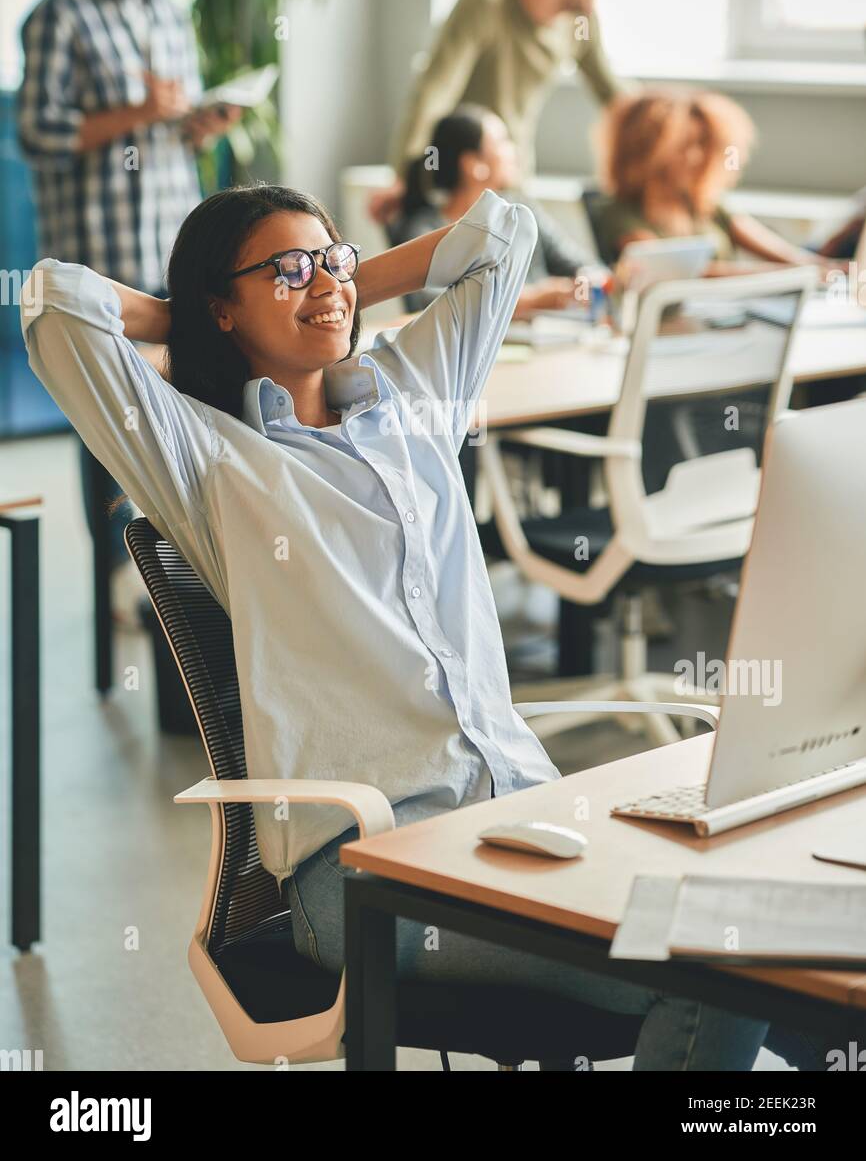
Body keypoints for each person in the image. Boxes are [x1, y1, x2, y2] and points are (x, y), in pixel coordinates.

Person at [20, 184, 831, 1070]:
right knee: (713, 969)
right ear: (222, 307)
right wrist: (183, 313)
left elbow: (504, 234)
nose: (324, 284)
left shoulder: (412, 397)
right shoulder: (209, 457)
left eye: (333, 260)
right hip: (371, 869)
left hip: (523, 812)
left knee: (790, 947)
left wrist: (340, 277)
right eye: (285, 271)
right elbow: (55, 305)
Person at [17, 0, 241, 593]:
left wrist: (197, 126)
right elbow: (37, 134)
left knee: (182, 409)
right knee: (105, 424)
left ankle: (178, 570)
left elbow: (172, 129)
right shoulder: (58, 15)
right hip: (98, 261)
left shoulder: (168, 12)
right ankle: (113, 581)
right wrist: (136, 117)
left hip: (173, 250)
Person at [371, 0, 620, 223]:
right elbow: (434, 91)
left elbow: (616, 96)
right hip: (461, 184)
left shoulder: (581, 24)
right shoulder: (485, 6)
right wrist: (403, 173)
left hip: (514, 179)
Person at [592, 89, 835, 277]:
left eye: (701, 144)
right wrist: (794, 275)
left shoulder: (706, 205)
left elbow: (790, 256)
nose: (694, 156)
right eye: (683, 145)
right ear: (647, 150)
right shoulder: (619, 213)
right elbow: (682, 273)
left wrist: (829, 270)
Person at [388, 105, 592, 317]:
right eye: (503, 141)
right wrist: (532, 299)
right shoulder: (425, 229)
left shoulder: (522, 212)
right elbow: (435, 305)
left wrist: (585, 284)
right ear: (473, 165)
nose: (514, 151)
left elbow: (585, 267)